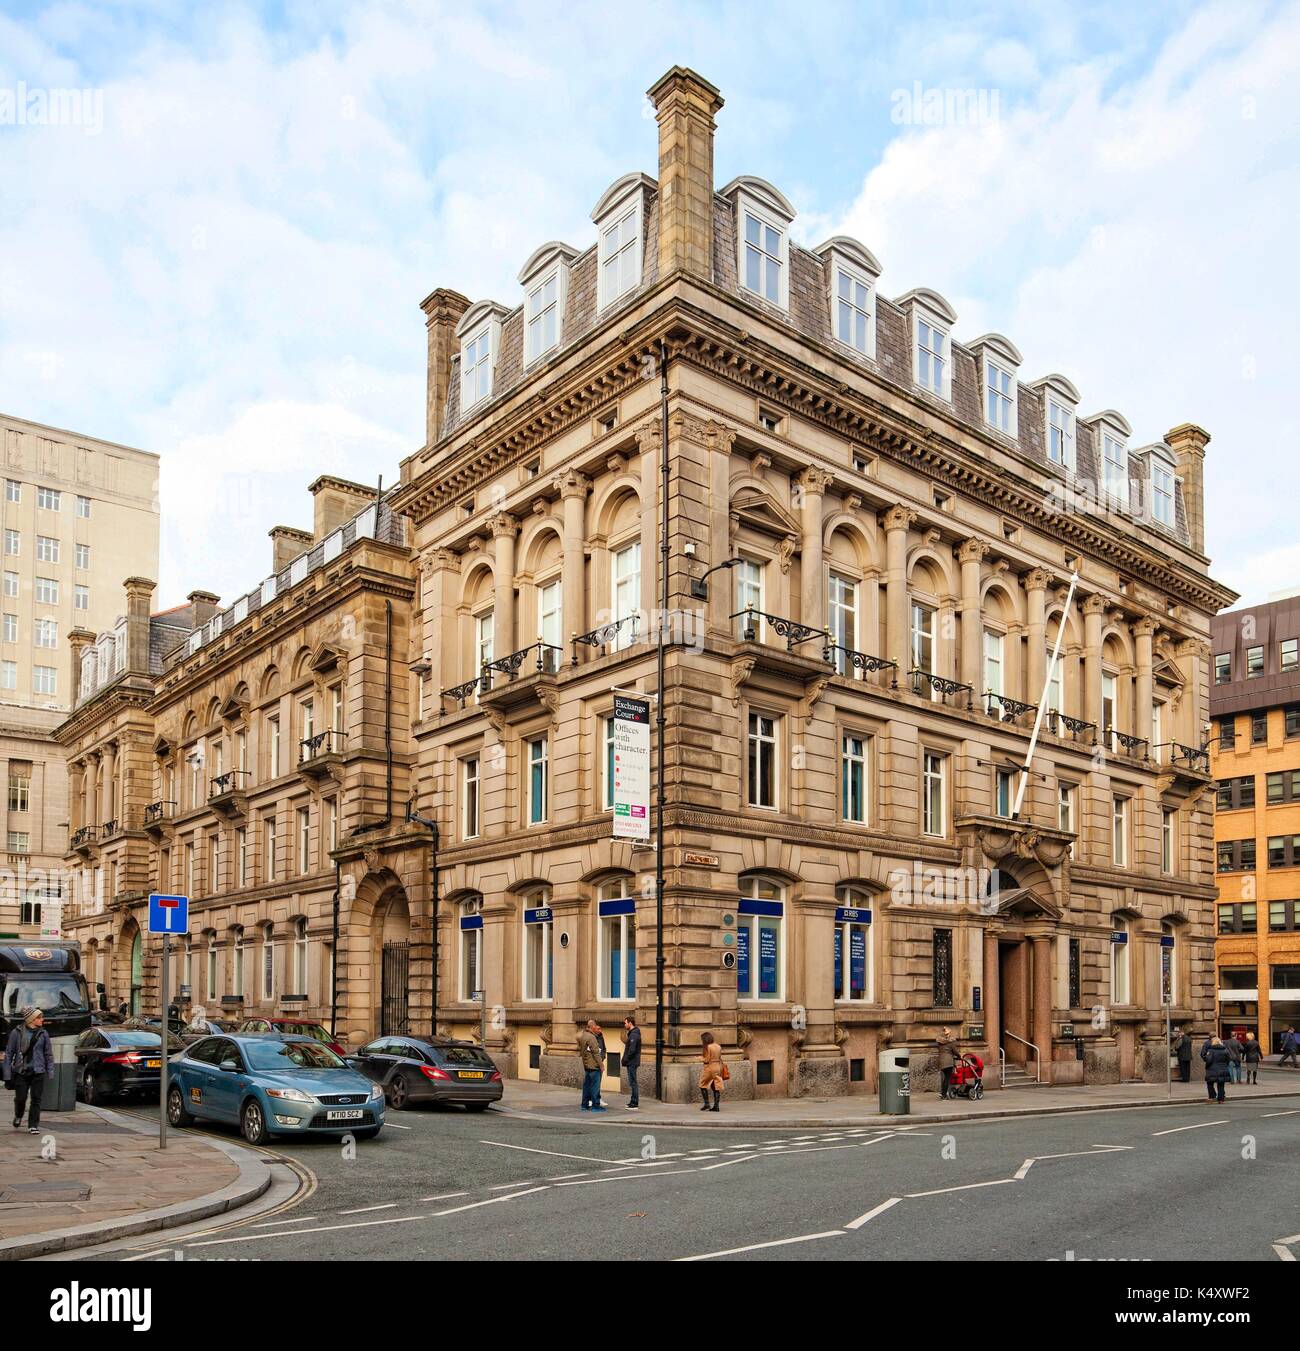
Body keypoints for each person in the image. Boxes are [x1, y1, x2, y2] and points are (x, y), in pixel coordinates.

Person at [3, 1007, 53, 1133]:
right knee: (21, 1098)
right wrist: (7, 1074)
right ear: (32, 1019)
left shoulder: (43, 1033)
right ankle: (18, 1115)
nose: (42, 1019)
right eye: (39, 1017)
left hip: (38, 1071)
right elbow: (9, 1054)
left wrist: (50, 1070)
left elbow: (48, 1053)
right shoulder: (17, 1032)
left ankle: (33, 1125)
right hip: (22, 1071)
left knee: (36, 1099)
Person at [578, 1019, 606, 1112]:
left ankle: (584, 1105)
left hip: (586, 1065)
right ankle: (595, 1106)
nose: (596, 1028)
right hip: (594, 1065)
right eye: (595, 1026)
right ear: (592, 1027)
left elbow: (582, 1051)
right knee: (595, 1086)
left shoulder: (583, 1036)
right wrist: (601, 1065)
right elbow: (596, 1053)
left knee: (586, 1086)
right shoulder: (592, 1037)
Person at [1201, 1035, 1231, 1103]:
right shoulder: (1225, 1050)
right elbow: (1228, 1060)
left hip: (1212, 1069)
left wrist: (1207, 1066)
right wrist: (1225, 1065)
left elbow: (1209, 1060)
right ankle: (1221, 1099)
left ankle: (1212, 1096)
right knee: (1221, 1084)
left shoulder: (1211, 1051)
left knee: (1210, 1083)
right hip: (1223, 1069)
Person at [699, 1032, 724, 1112]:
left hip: (710, 1067)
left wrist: (699, 1058)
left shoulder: (708, 1047)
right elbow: (720, 1057)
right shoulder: (718, 1046)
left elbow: (706, 1060)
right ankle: (716, 1106)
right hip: (718, 1067)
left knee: (702, 1084)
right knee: (716, 1086)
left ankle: (707, 1104)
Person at [621, 1015, 641, 1110]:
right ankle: (632, 1102)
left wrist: (626, 1059)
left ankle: (634, 1103)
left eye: (625, 1023)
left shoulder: (634, 1035)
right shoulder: (632, 1034)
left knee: (633, 1083)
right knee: (632, 1082)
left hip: (632, 1062)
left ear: (630, 1023)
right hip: (631, 1062)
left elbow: (632, 1051)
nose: (624, 1025)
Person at [935, 1028, 959, 1099]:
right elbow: (955, 1051)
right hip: (948, 1062)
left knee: (944, 1077)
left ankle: (942, 1092)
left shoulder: (939, 1042)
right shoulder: (950, 1042)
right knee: (947, 1078)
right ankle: (944, 1095)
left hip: (941, 1061)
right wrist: (959, 1056)